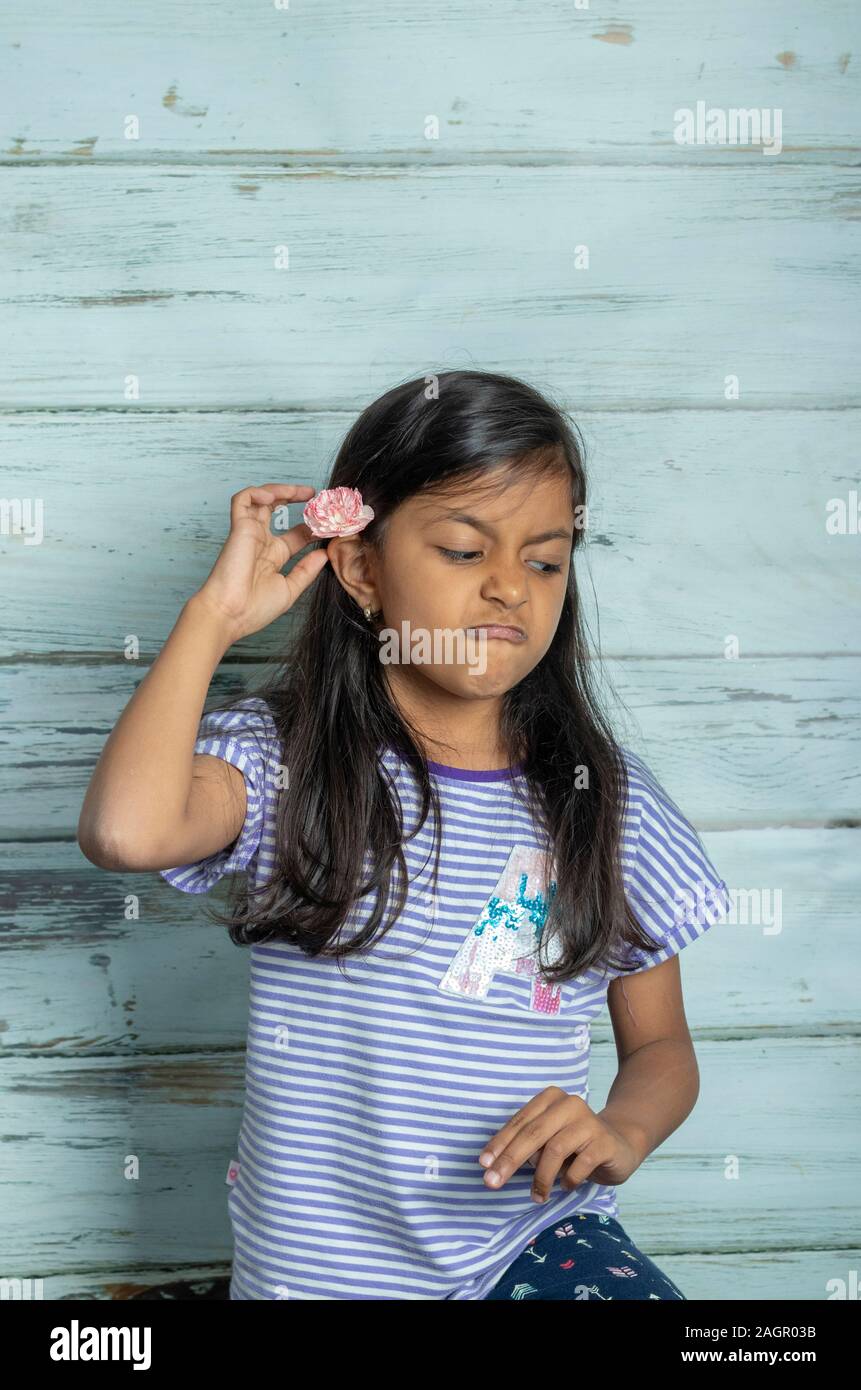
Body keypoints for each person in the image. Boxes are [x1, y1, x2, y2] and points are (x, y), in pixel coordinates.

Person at [78, 368, 730, 1301]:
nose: (511, 587)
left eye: (545, 560)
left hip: (527, 1247)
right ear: (362, 568)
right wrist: (213, 620)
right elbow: (123, 832)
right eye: (466, 551)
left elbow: (662, 1048)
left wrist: (622, 1129)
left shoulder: (603, 798)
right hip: (320, 1273)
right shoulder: (282, 761)